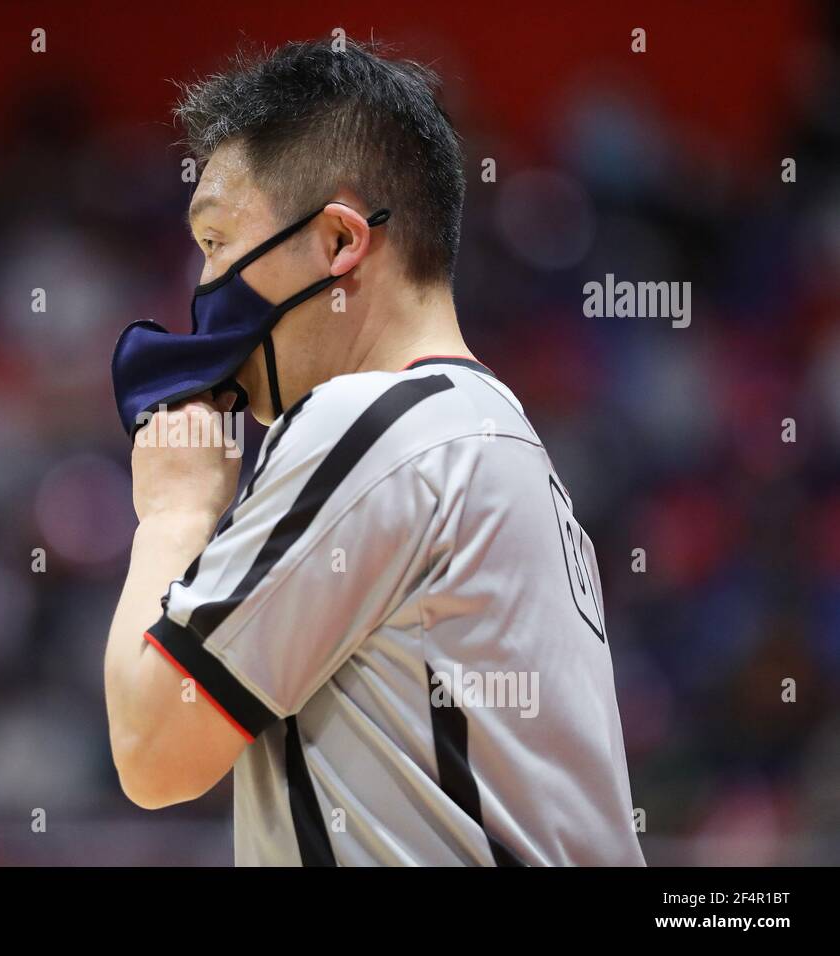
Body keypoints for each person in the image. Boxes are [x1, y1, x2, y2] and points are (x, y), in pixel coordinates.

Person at [103, 38, 644, 866]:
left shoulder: (371, 422)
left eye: (216, 241)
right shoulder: (498, 433)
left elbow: (152, 751)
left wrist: (174, 513)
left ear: (337, 243)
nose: (202, 285)